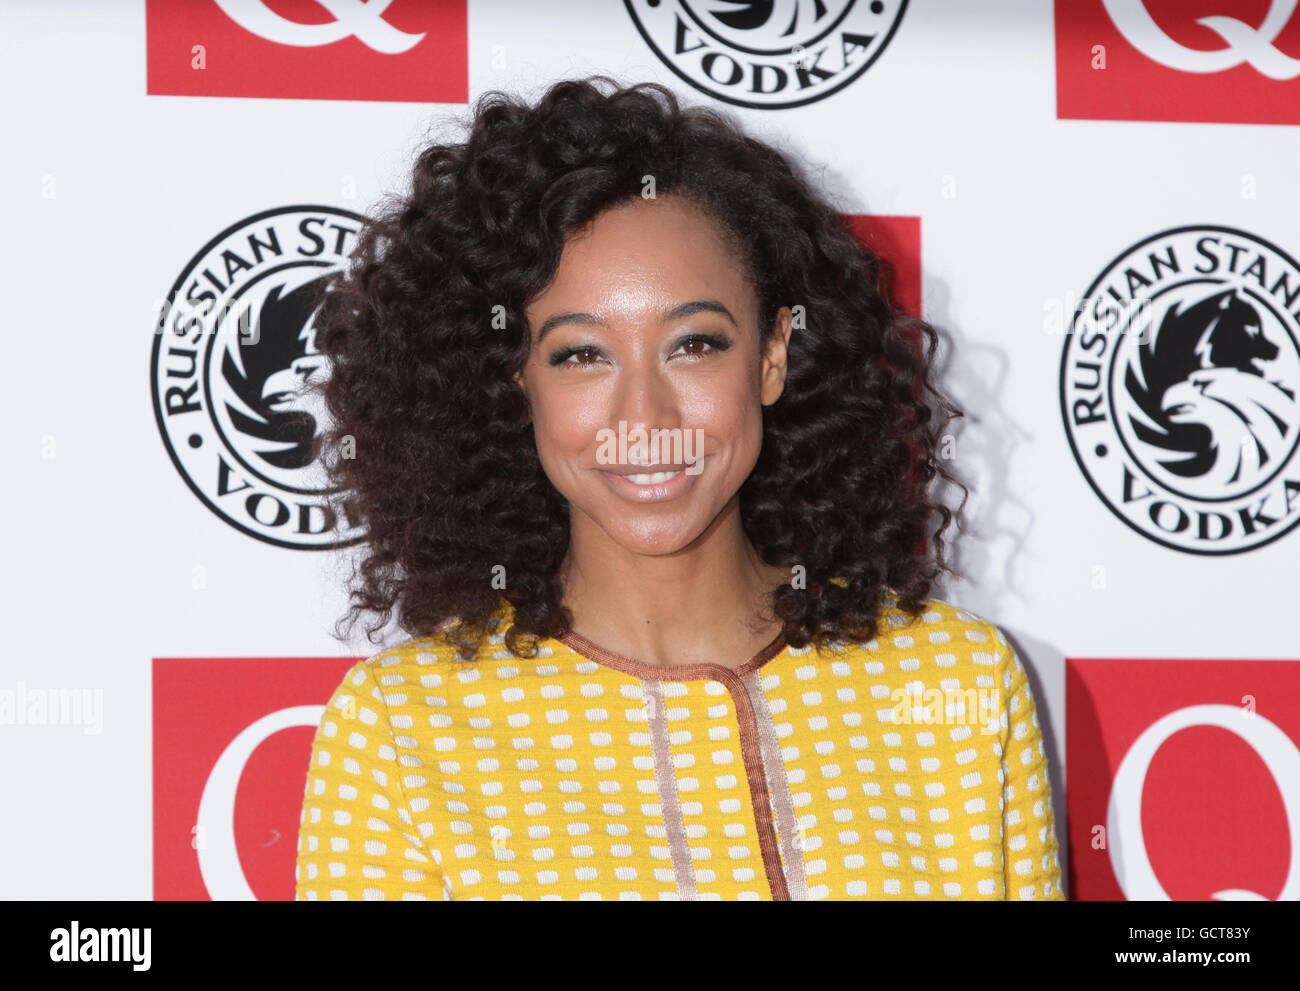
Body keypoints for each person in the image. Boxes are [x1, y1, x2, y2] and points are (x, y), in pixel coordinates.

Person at [294, 75, 1063, 901]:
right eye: (581, 354)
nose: (645, 414)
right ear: (515, 382)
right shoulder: (405, 730)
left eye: (694, 345)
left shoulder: (957, 680)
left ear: (771, 358)